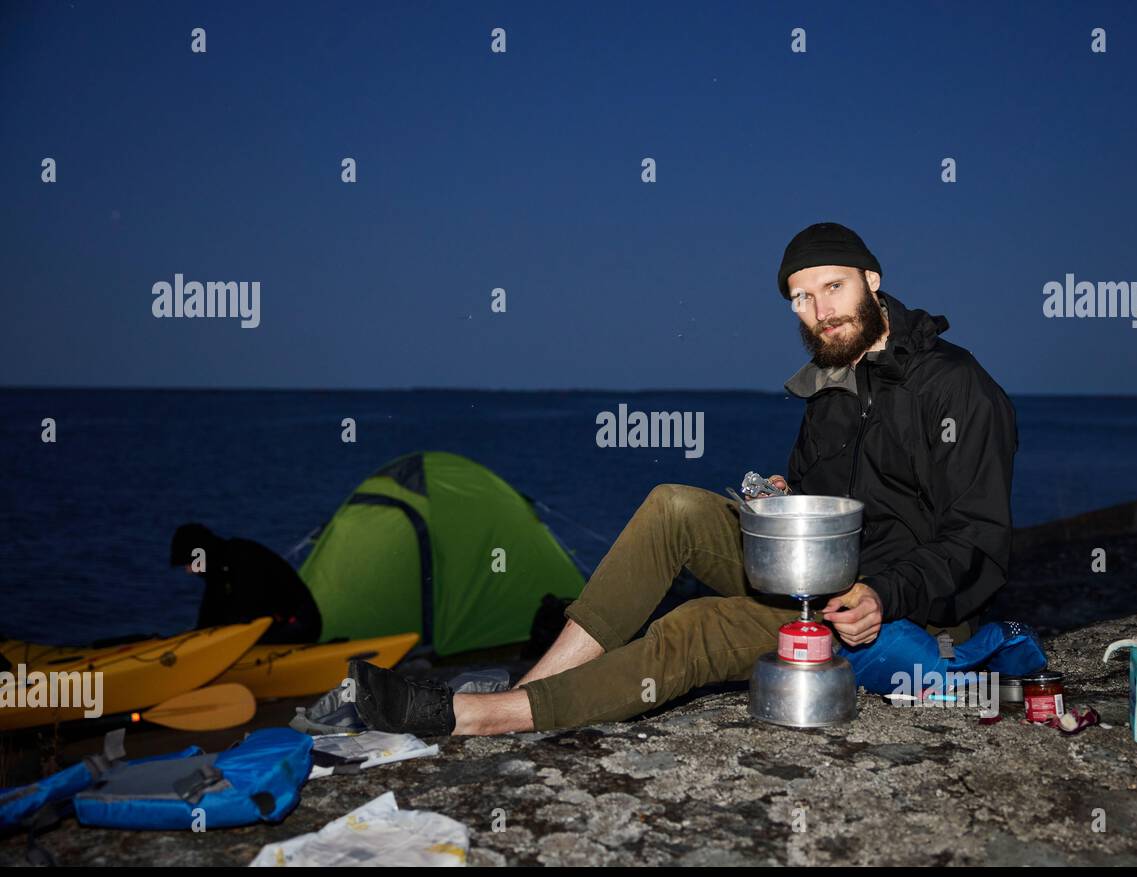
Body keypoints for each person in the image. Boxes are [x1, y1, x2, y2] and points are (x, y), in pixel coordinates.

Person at [350, 222, 1019, 736]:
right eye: (801, 299)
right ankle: (543, 677)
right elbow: (825, 495)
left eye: (833, 287)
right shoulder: (828, 391)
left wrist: (887, 590)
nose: (820, 310)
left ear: (873, 280)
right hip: (819, 576)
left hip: (896, 615)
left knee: (691, 628)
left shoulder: (955, 386)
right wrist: (781, 505)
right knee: (671, 505)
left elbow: (978, 540)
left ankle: (483, 717)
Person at [170, 523, 323, 644]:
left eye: (189, 563)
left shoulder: (242, 558)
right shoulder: (218, 573)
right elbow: (210, 616)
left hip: (299, 624)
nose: (189, 570)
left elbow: (248, 609)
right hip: (270, 626)